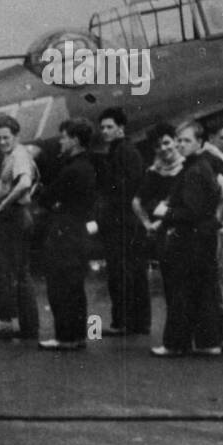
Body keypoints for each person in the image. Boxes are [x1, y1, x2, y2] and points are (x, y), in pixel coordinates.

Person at [153, 121, 223, 358]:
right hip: (204, 237)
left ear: (200, 143)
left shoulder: (193, 171)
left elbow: (192, 212)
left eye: (187, 141)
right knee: (204, 292)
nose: (181, 145)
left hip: (188, 240)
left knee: (181, 293)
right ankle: (209, 341)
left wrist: (166, 213)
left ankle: (175, 343)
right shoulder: (205, 167)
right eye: (179, 140)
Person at [37, 118, 99, 350]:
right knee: (74, 287)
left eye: (63, 137)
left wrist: (52, 202)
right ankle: (77, 335)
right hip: (79, 231)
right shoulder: (88, 166)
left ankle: (65, 336)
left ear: (74, 140)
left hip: (63, 232)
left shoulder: (72, 169)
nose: (60, 141)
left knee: (59, 286)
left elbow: (46, 197)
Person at [0, 116, 39, 342]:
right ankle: (27, 327)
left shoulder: (18, 156)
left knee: (6, 273)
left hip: (13, 216)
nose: (2, 141)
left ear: (16, 136)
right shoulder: (13, 155)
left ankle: (6, 325)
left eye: (6, 137)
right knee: (18, 273)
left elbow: (24, 183)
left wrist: (4, 204)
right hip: (16, 216)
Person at [96, 107, 147, 336]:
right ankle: (137, 322)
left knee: (121, 273)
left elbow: (124, 187)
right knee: (133, 273)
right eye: (103, 127)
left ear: (120, 128)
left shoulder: (122, 152)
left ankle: (123, 322)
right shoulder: (125, 150)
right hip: (128, 220)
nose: (105, 131)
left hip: (121, 222)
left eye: (109, 127)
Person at [132, 122, 183, 307]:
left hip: (189, 232)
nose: (163, 148)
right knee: (171, 289)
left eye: (167, 143)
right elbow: (137, 202)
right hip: (167, 237)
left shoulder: (189, 167)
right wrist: (148, 224)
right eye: (158, 146)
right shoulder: (154, 172)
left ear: (176, 141)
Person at [201, 118, 223, 327]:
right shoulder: (213, 160)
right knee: (219, 267)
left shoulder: (219, 159)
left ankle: (222, 310)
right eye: (222, 137)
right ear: (211, 138)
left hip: (221, 220)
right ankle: (220, 311)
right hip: (215, 222)